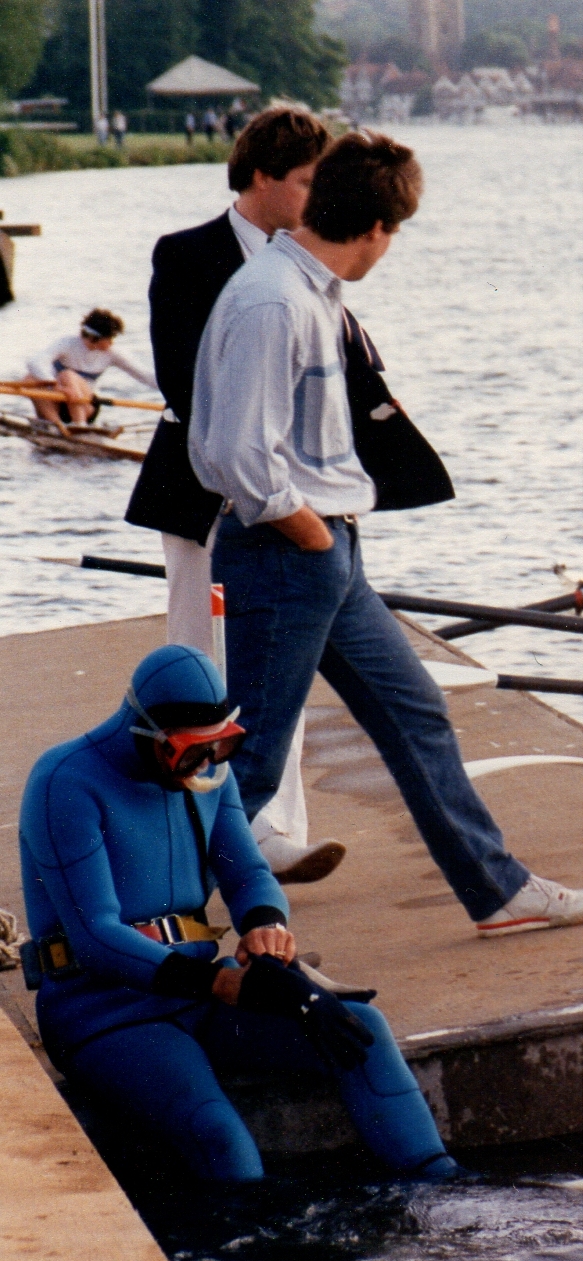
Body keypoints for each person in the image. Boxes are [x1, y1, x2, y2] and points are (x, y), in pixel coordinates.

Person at [190, 130, 583, 938]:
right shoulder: (275, 299)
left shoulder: (310, 293)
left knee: (416, 712)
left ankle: (496, 890)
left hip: (326, 556)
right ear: (378, 228)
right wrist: (310, 533)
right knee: (251, 762)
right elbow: (237, 453)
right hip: (289, 551)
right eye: (396, 232)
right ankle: (154, 917)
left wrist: (326, 541)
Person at [17, 645, 455, 1182]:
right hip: (103, 1015)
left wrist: (266, 929)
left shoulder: (209, 779)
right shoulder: (65, 783)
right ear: (148, 732)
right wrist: (226, 987)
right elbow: (97, 937)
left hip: (196, 997)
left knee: (359, 1031)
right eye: (191, 753)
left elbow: (247, 873)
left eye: (220, 748)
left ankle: (448, 1193)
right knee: (221, 1137)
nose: (205, 767)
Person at [126, 106, 340, 884]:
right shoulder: (185, 255)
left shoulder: (314, 264)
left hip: (289, 491)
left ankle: (275, 829)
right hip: (201, 487)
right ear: (260, 176)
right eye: (309, 183)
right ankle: (197, 831)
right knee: (201, 663)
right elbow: (183, 377)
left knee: (279, 660)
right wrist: (251, 467)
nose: (321, 200)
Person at [22, 309, 157, 434]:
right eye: (109, 338)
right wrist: (56, 385)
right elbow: (35, 362)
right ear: (94, 337)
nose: (111, 342)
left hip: (85, 405)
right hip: (57, 402)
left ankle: (80, 426)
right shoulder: (67, 343)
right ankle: (56, 426)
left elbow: (144, 375)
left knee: (67, 375)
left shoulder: (113, 354)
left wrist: (172, 392)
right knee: (29, 379)